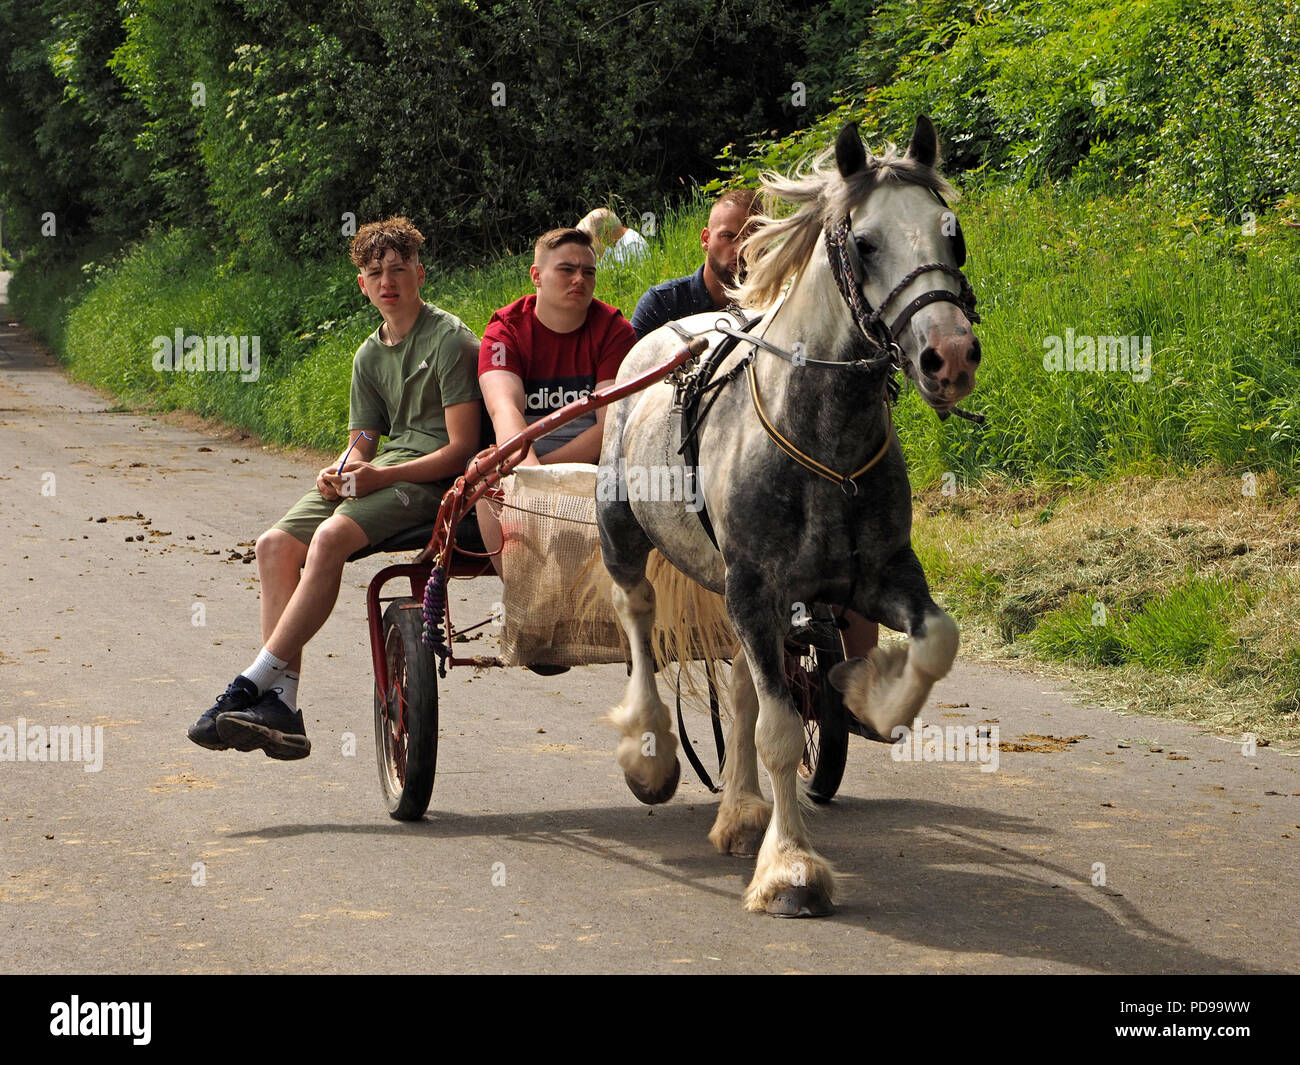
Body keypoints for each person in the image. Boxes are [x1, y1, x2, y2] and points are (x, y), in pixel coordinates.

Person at [187, 217, 481, 760]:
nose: (388, 281)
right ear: (363, 285)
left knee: (326, 542)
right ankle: (285, 704)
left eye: (398, 270)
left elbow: (461, 449)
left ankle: (251, 683)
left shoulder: (450, 340)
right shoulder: (369, 356)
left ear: (421, 272)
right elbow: (365, 440)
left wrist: (380, 476)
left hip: (433, 480)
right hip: (384, 470)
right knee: (274, 546)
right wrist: (340, 467)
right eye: (376, 273)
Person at [475, 227, 636, 564]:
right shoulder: (505, 329)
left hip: (597, 463)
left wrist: (545, 473)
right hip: (522, 455)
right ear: (537, 276)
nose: (579, 279)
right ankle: (518, 598)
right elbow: (504, 411)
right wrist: (530, 475)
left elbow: (610, 429)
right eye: (566, 269)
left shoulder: (614, 330)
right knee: (483, 475)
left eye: (588, 271)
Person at [629, 188, 760, 339]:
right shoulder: (662, 305)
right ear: (706, 239)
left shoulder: (774, 306)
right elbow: (632, 362)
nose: (741, 249)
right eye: (729, 236)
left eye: (753, 239)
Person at [576, 207, 649, 265]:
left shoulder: (632, 244)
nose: (591, 243)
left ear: (604, 231)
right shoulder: (612, 245)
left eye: (592, 238)